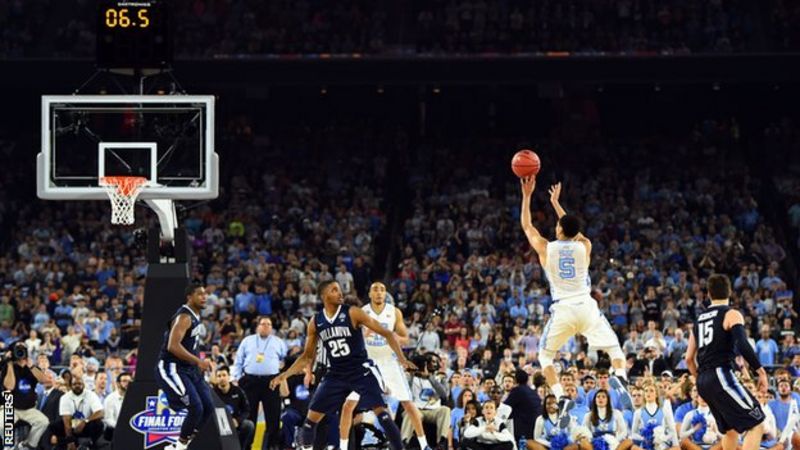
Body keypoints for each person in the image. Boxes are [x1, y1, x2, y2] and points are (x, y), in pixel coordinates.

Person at [519, 179, 631, 413]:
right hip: (587, 306)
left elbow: (527, 226)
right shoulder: (585, 246)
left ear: (558, 229)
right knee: (615, 350)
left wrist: (527, 195)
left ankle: (561, 397)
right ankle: (620, 377)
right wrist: (557, 204)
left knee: (545, 358)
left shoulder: (546, 248)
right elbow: (572, 228)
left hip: (563, 309)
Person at [268, 280, 416, 450]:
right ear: (324, 296)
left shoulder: (353, 313)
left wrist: (402, 359)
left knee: (382, 415)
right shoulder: (316, 321)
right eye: (334, 290)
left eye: (339, 289)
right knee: (310, 422)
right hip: (336, 373)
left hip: (361, 370)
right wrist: (284, 375)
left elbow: (387, 333)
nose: (340, 293)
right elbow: (307, 357)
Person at [339, 281, 431, 450]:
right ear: (369, 294)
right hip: (366, 363)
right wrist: (365, 333)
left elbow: (405, 338)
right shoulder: (360, 313)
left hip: (389, 361)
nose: (379, 292)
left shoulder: (394, 312)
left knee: (408, 403)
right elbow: (349, 339)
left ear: (386, 293)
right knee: (348, 405)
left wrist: (389, 335)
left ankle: (424, 445)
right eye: (375, 289)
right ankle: (342, 447)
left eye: (382, 290)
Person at [685, 274, 769, 450]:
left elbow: (688, 359)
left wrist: (701, 380)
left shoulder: (698, 320)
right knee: (756, 423)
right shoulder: (731, 313)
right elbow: (742, 344)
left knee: (730, 431)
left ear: (708, 294)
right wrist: (760, 371)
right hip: (720, 374)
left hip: (703, 379)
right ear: (730, 292)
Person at [154, 284, 215, 450]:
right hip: (171, 368)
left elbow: (190, 344)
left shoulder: (195, 315)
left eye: (205, 294)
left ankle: (184, 441)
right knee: (195, 407)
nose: (204, 297)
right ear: (189, 297)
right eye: (200, 294)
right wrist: (198, 361)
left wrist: (200, 361)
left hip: (189, 370)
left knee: (208, 407)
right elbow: (172, 346)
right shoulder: (184, 317)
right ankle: (179, 446)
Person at [231, 316, 287, 450]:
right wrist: (236, 378)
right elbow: (239, 360)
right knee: (249, 417)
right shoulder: (247, 341)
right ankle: (246, 446)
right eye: (263, 324)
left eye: (269, 324)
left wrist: (281, 375)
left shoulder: (279, 342)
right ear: (257, 326)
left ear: (272, 328)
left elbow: (284, 360)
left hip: (271, 382)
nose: (266, 326)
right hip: (250, 381)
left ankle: (271, 447)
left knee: (273, 417)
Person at [1, 342, 50, 450]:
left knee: (43, 421)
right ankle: (9, 446)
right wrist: (9, 364)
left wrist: (31, 366)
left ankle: (27, 445)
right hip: (11, 408)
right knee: (1, 424)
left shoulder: (32, 367)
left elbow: (45, 381)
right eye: (18, 350)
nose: (20, 353)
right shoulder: (7, 367)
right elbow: (9, 386)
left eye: (22, 350)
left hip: (29, 409)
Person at [52, 376, 105, 449]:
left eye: (80, 384)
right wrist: (70, 441)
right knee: (56, 424)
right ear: (70, 386)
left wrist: (85, 421)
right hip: (71, 424)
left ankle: (93, 445)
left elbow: (100, 412)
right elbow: (66, 422)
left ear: (84, 385)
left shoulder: (91, 394)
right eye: (74, 384)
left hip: (87, 425)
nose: (77, 386)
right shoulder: (65, 397)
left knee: (98, 424)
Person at [214, 365, 255, 450]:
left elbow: (246, 410)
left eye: (224, 375)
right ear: (216, 379)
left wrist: (238, 420)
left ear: (229, 376)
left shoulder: (238, 391)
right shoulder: (212, 393)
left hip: (235, 422)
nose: (222, 378)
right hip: (219, 424)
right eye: (219, 376)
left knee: (249, 425)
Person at [503, 369, 541, 445]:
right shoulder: (533, 392)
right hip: (536, 427)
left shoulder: (517, 391)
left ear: (515, 380)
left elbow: (505, 408)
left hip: (523, 430)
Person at [102, 371, 131, 441]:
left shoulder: (135, 398)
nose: (128, 383)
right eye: (124, 381)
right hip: (114, 430)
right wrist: (121, 427)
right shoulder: (110, 399)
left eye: (129, 381)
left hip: (130, 429)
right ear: (118, 384)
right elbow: (108, 419)